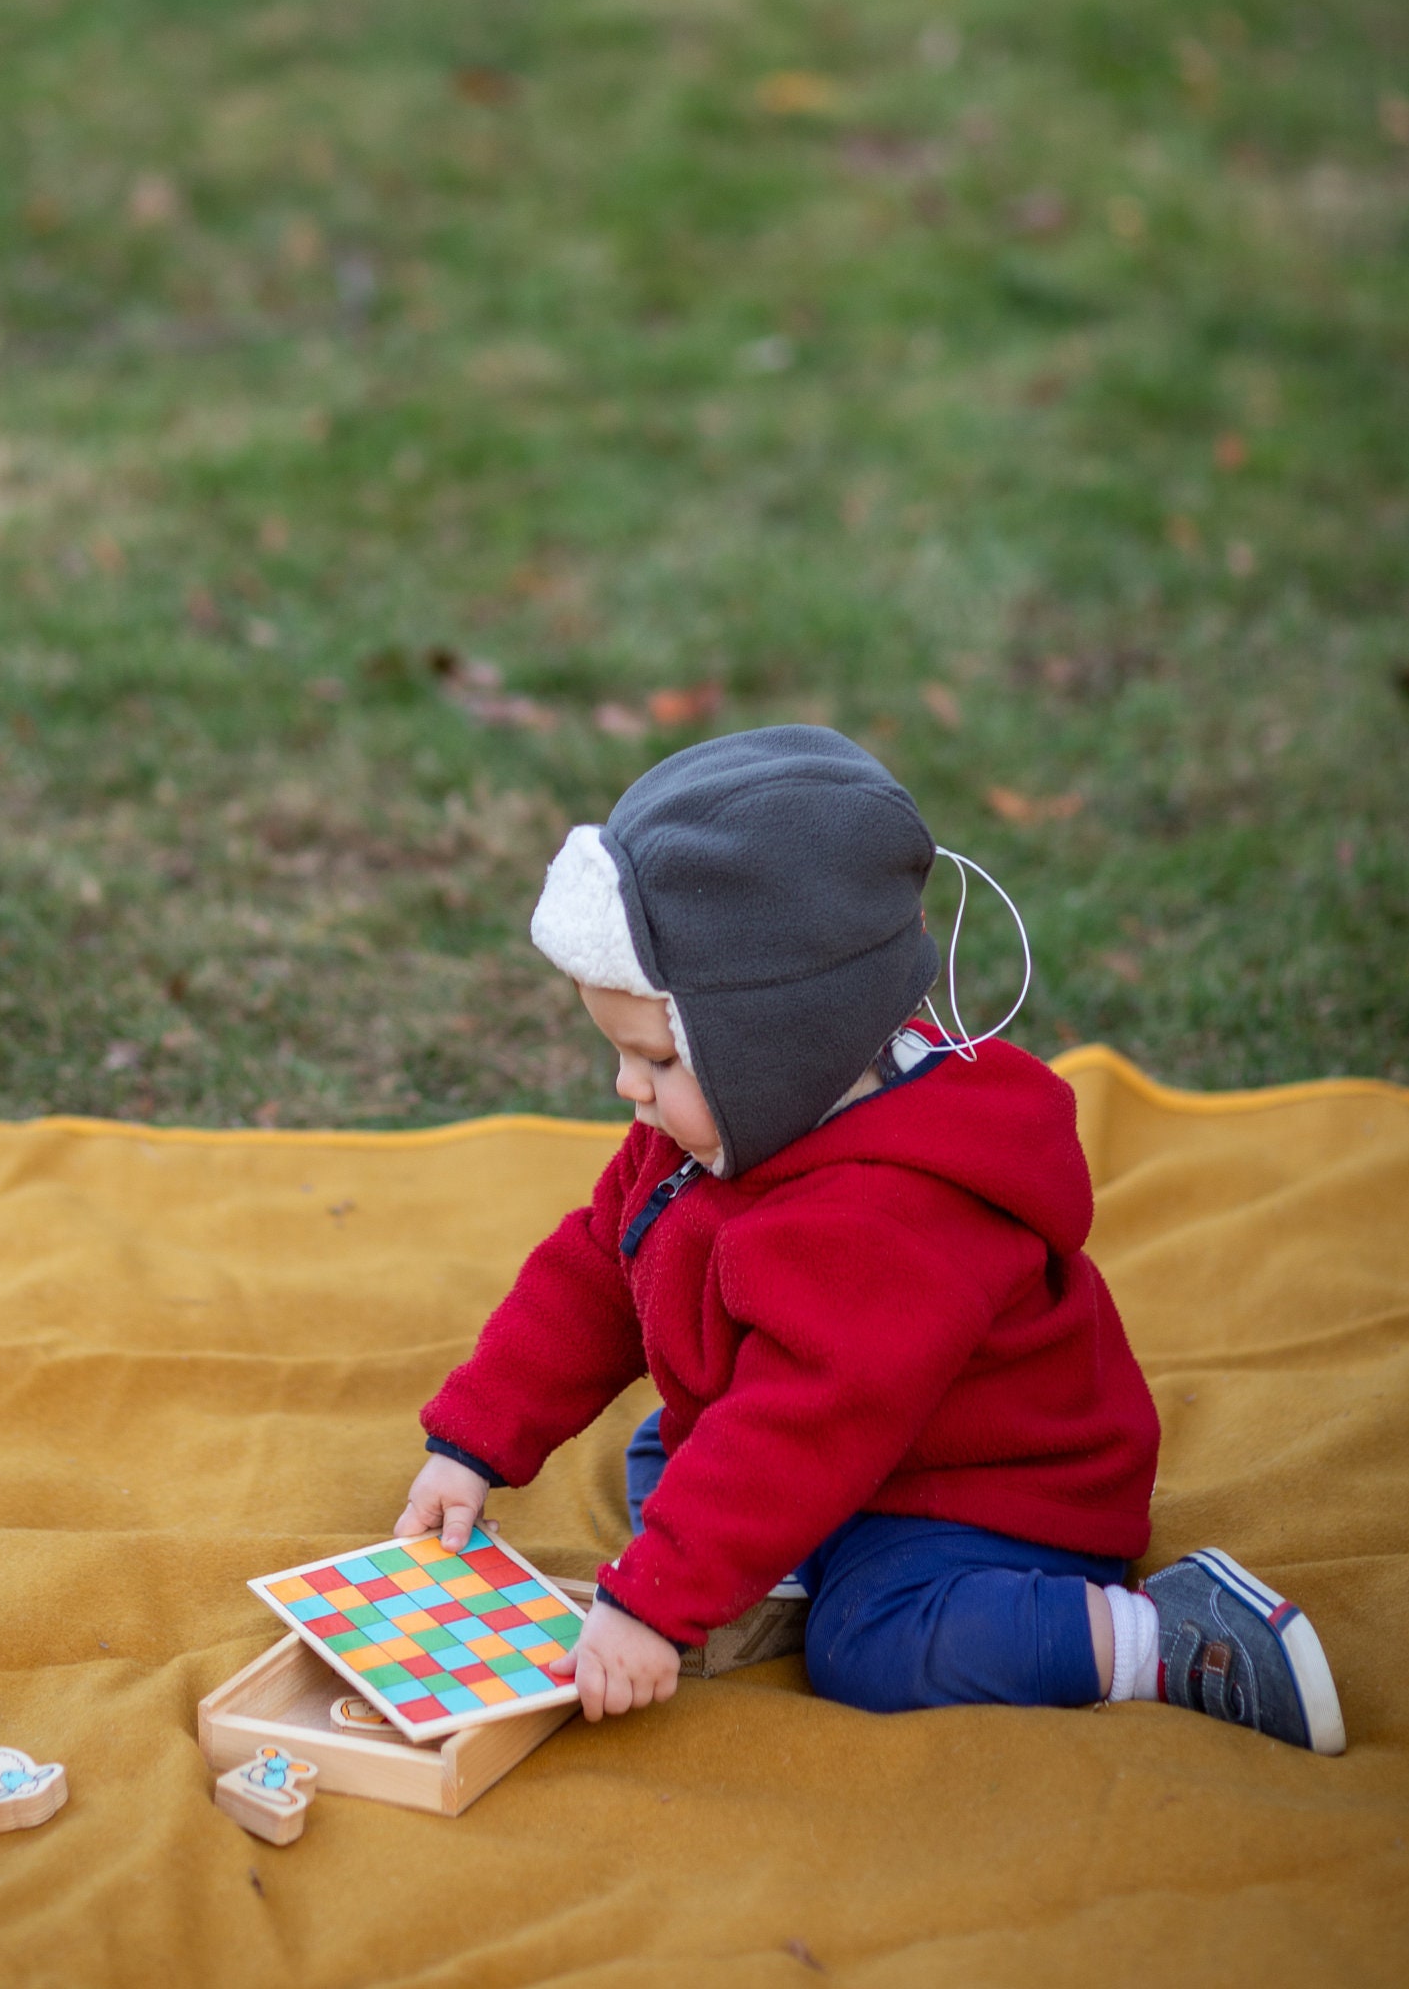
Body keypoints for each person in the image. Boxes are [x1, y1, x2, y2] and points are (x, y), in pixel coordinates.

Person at [396, 726, 1344, 1752]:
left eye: (656, 1058)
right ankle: (781, 1553)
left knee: (869, 1648)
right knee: (666, 1458)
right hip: (840, 1448)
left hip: (987, 1498)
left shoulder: (885, 1214)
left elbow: (798, 1422)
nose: (627, 1087)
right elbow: (595, 1271)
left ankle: (1162, 1635)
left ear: (776, 1045)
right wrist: (473, 1445)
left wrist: (650, 1604)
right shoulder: (704, 1133)